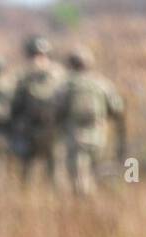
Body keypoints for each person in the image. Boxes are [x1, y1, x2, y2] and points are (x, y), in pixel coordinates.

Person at [52, 49, 125, 194]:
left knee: (79, 177)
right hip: (99, 135)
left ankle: (84, 205)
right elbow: (117, 108)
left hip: (75, 135)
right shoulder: (102, 84)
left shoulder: (67, 85)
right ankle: (97, 202)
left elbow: (56, 110)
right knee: (95, 172)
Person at [8, 35, 66, 183]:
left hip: (30, 128)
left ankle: (26, 199)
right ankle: (56, 201)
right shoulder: (59, 73)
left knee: (26, 171)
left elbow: (15, 104)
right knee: (55, 170)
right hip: (54, 128)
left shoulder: (23, 75)